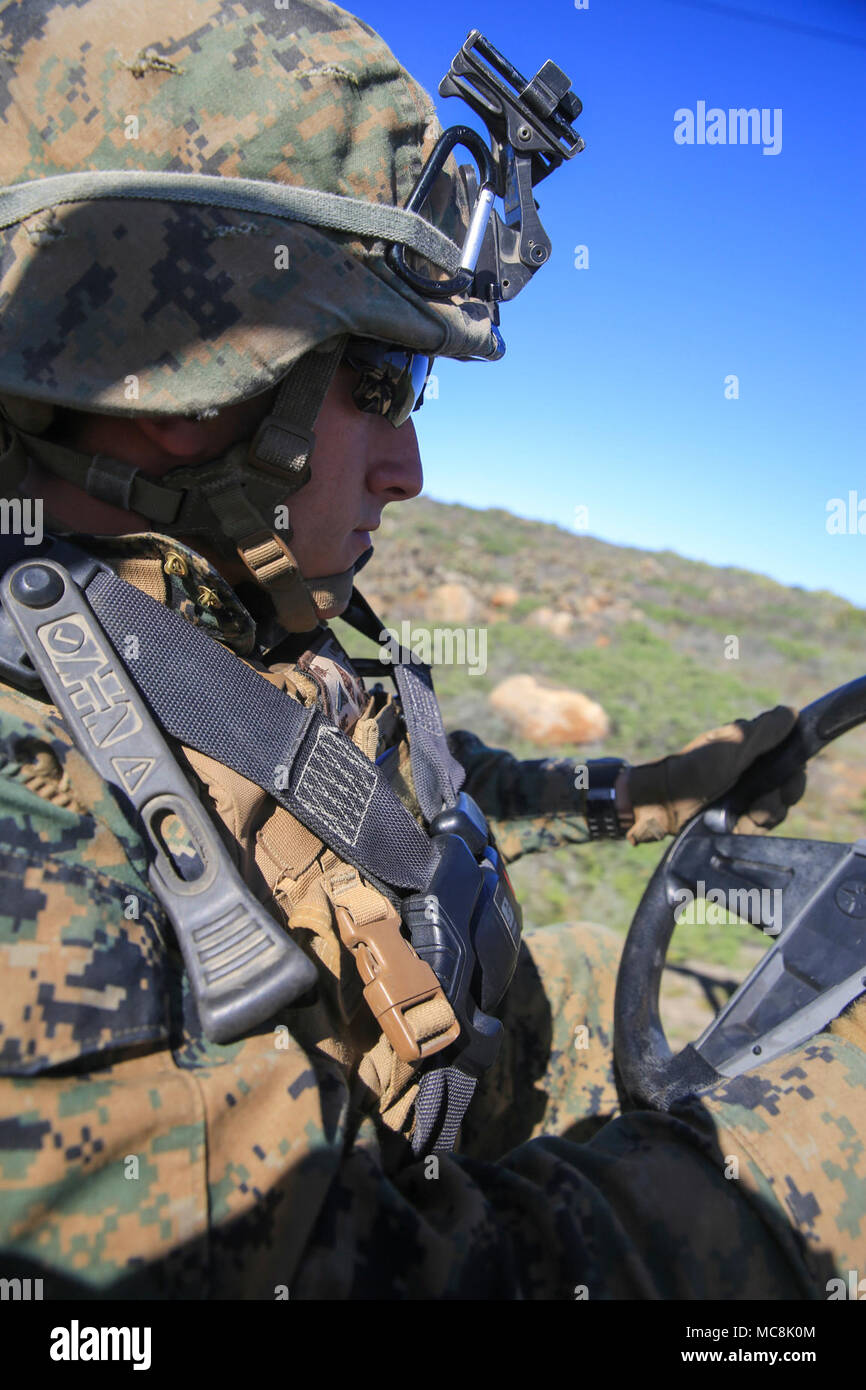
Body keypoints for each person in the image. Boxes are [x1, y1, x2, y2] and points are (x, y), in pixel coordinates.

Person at [0, 0, 863, 1300]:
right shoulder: (34, 834)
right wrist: (823, 1143)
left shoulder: (218, 617)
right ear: (173, 375)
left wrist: (615, 793)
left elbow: (375, 773)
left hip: (473, 1056)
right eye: (383, 385)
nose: (406, 468)